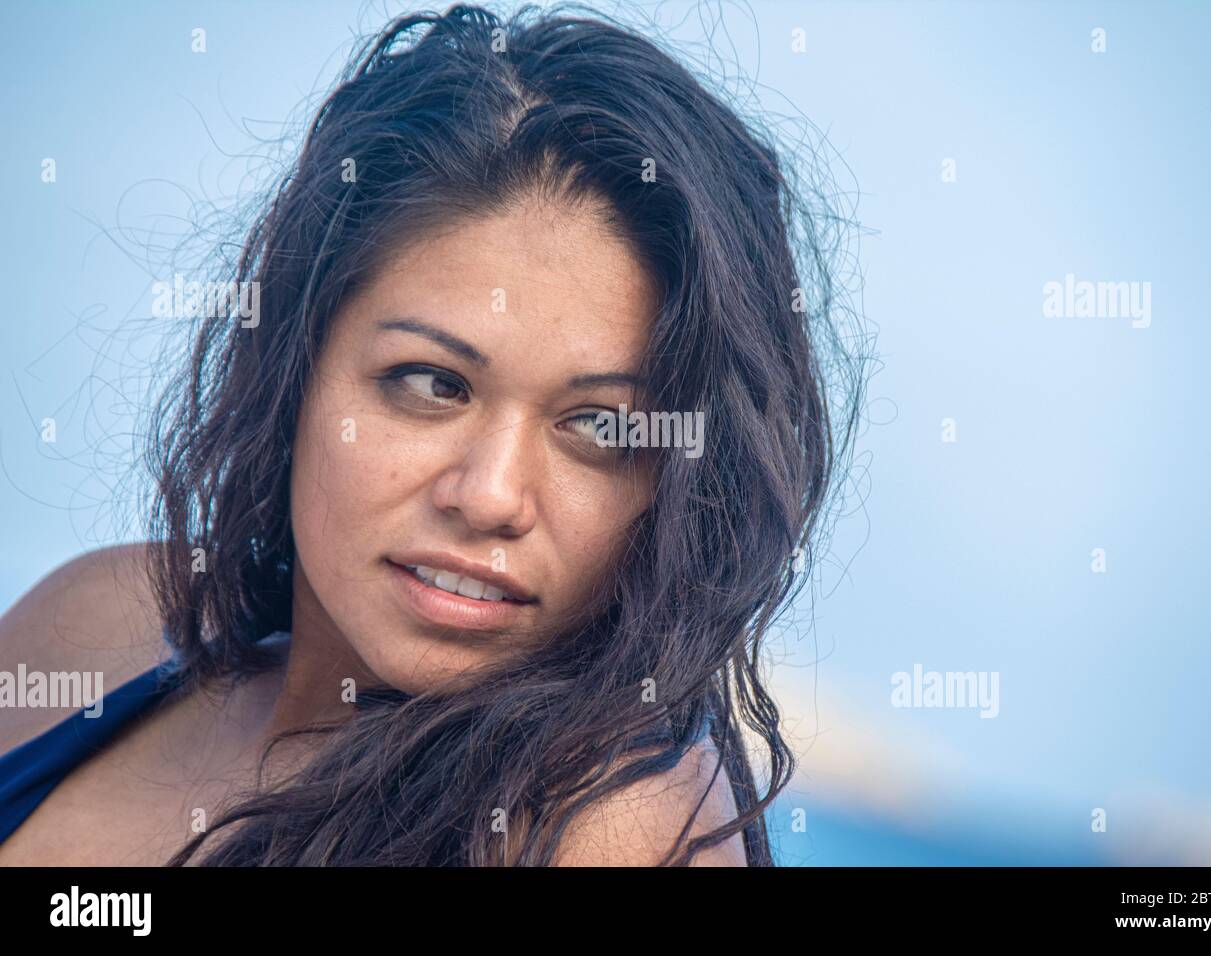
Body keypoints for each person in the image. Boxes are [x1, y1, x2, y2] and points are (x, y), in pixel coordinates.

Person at [0, 2, 864, 866]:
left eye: (599, 427)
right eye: (432, 384)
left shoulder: (606, 830)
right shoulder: (96, 628)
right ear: (297, 360)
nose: (489, 495)